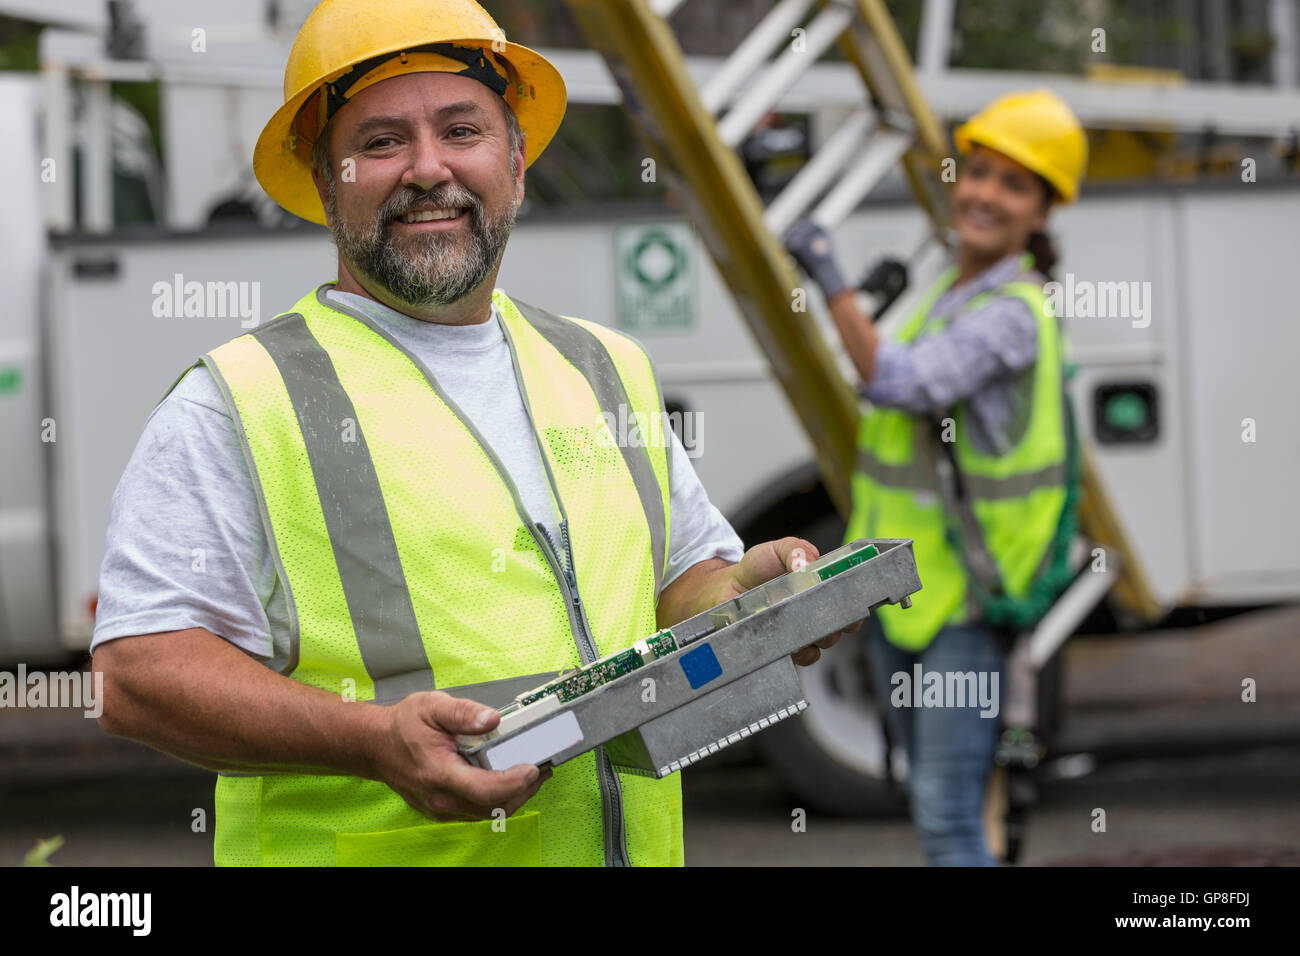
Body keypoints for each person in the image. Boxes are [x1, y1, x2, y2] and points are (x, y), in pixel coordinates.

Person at [91, 0, 854, 867]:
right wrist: (368, 739)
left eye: (463, 130)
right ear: (324, 177)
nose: (428, 169)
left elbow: (676, 588)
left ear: (517, 165)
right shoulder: (239, 401)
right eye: (380, 142)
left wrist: (744, 595)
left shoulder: (605, 368)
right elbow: (138, 675)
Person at [784, 89, 1086, 866]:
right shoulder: (953, 298)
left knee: (949, 819)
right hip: (899, 593)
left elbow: (902, 384)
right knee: (932, 806)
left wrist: (833, 280)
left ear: (1042, 213)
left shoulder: (1013, 315)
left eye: (1013, 185)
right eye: (978, 173)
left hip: (961, 606)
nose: (984, 193)